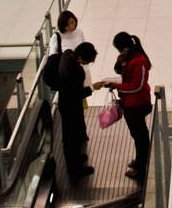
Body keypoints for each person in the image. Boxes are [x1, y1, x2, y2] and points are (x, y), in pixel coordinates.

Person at [94, 32, 152, 179]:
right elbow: (126, 76)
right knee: (138, 134)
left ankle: (141, 165)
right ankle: (141, 160)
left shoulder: (138, 61)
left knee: (140, 136)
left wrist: (118, 86)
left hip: (137, 104)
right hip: (130, 103)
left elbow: (137, 86)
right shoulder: (130, 57)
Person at [57, 41, 98, 182]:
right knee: (71, 140)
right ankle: (75, 171)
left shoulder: (67, 54)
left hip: (64, 103)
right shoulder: (77, 72)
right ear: (81, 58)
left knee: (70, 138)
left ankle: (77, 160)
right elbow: (77, 93)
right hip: (71, 108)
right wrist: (93, 88)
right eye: (87, 62)